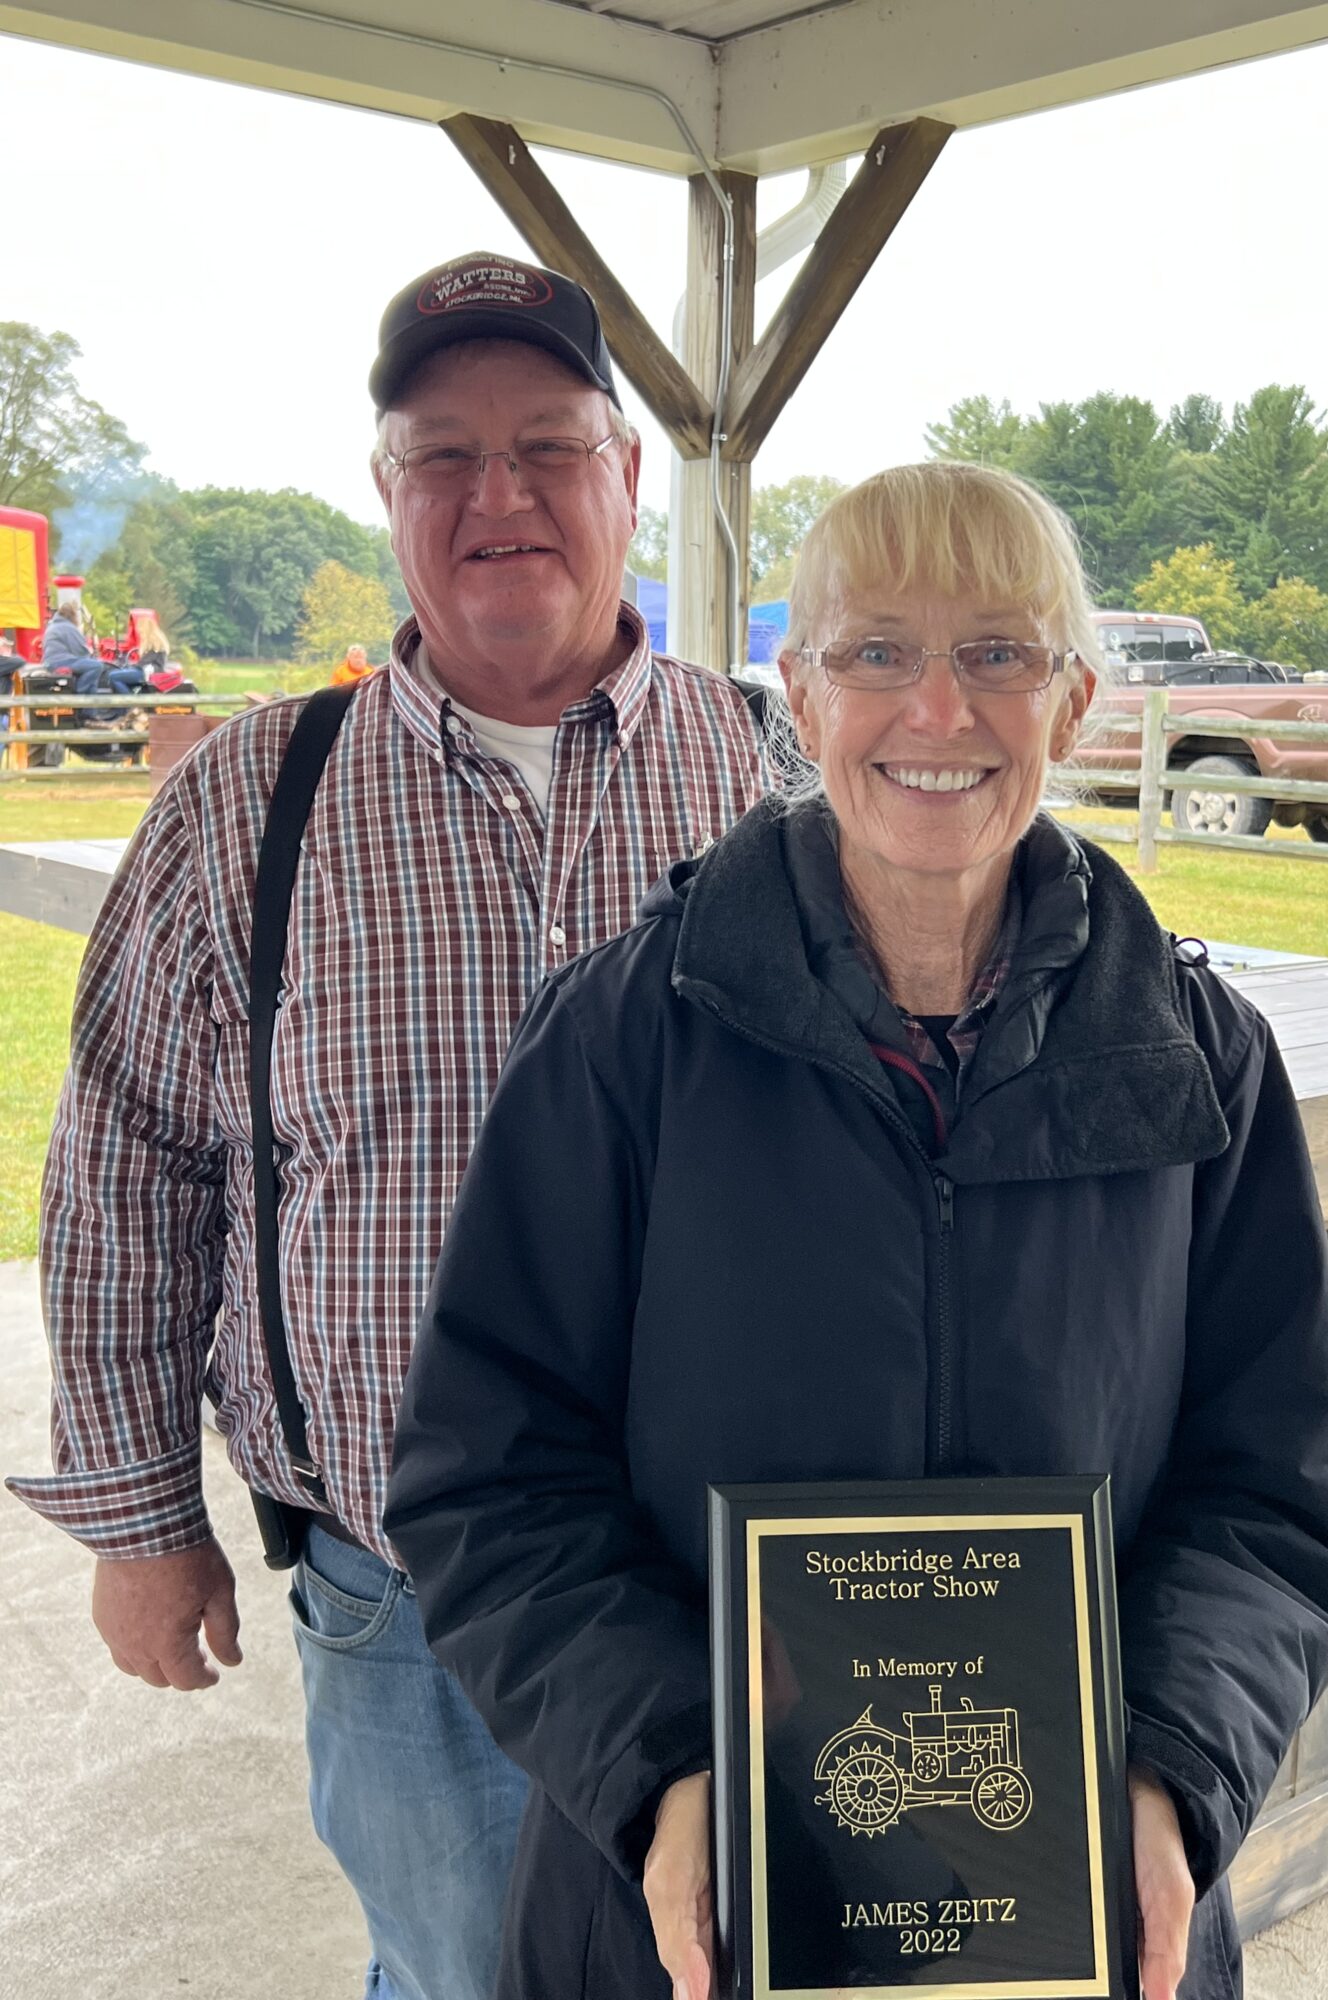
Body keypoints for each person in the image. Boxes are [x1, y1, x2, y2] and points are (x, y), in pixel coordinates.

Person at [385, 462, 1328, 2000]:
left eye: (999, 652)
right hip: (687, 1914)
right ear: (799, 689)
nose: (938, 712)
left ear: (1076, 701)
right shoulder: (625, 1038)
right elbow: (489, 1477)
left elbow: (1281, 1496)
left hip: (1078, 1907)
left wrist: (1174, 1769)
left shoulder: (1197, 1062)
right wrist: (665, 1767)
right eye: (876, 654)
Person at [7, 251, 765, 2000]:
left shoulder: (776, 771)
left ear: (631, 476)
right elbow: (126, 1172)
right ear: (387, 494)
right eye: (443, 455)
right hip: (405, 1599)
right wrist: (140, 1519)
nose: (499, 495)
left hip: (733, 1582)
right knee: (457, 1975)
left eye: (551, 445)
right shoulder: (245, 805)